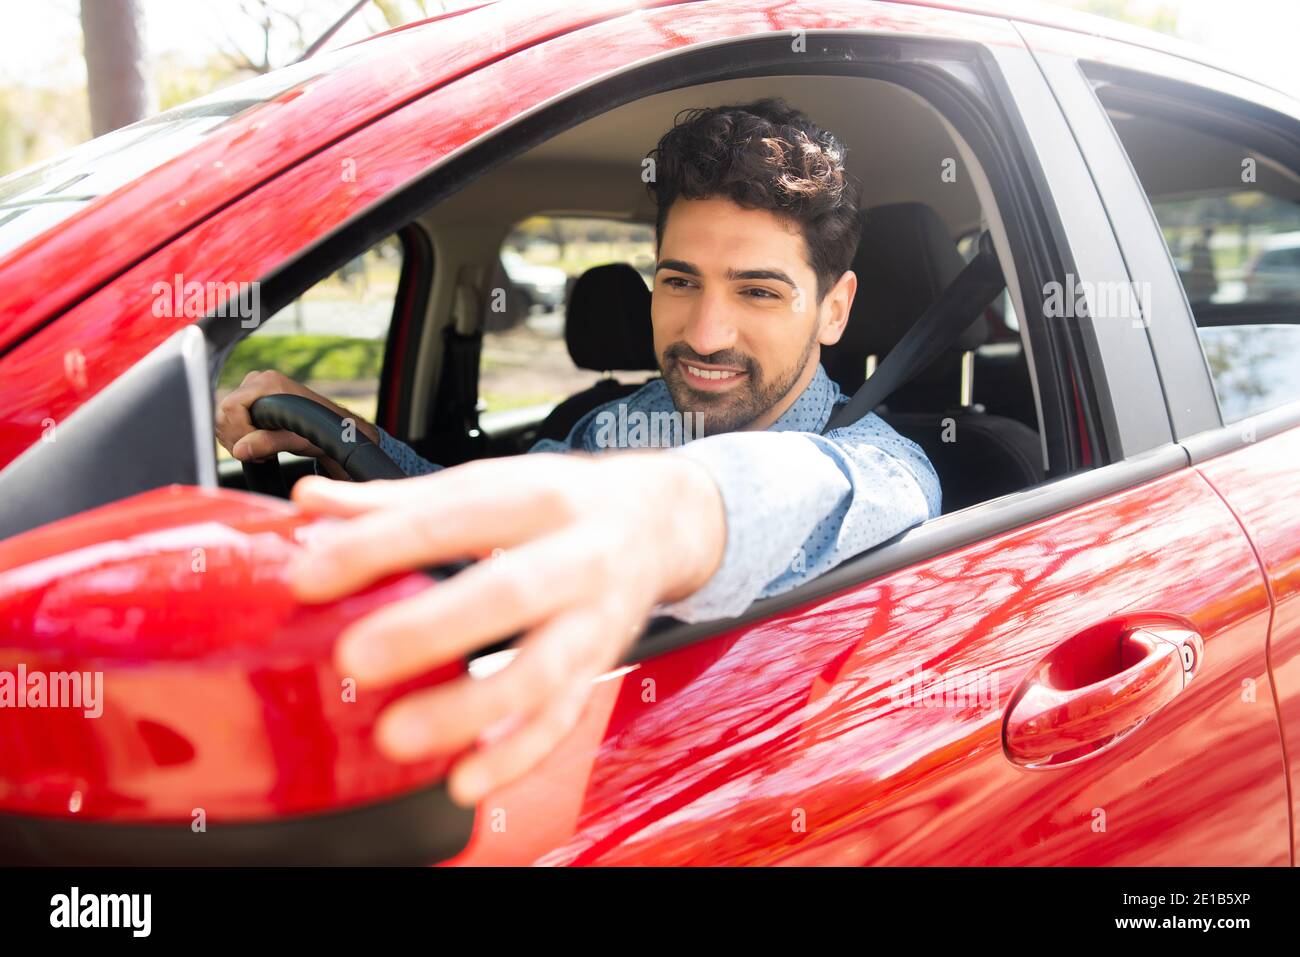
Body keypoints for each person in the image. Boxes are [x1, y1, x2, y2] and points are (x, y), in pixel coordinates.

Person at [215, 98, 941, 807]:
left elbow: (819, 487)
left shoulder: (884, 467)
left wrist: (664, 514)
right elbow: (484, 516)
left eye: (757, 291)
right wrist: (342, 432)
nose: (707, 333)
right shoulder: (620, 423)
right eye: (680, 281)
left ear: (834, 309)